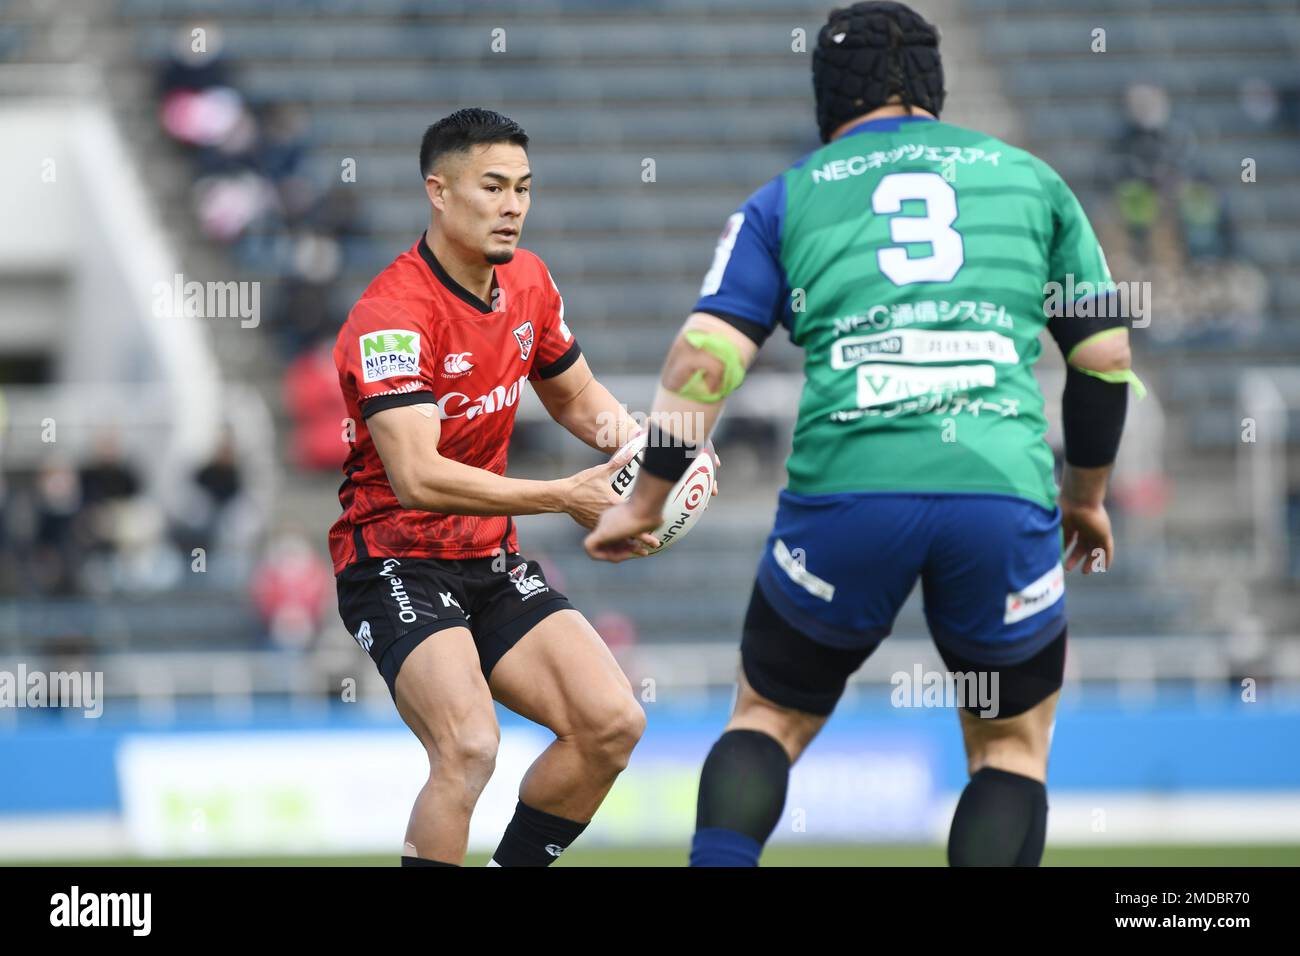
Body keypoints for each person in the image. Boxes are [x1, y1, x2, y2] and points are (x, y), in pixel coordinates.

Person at [585, 1, 1144, 867]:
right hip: (999, 491)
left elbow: (706, 359)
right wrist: (1089, 497)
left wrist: (646, 499)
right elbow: (1105, 357)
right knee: (1009, 752)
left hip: (848, 490)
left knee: (767, 720)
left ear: (828, 93)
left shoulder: (789, 198)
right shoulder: (1034, 182)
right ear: (933, 85)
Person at [330, 108, 664, 867]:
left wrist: (650, 456)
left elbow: (578, 400)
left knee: (611, 723)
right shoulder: (391, 317)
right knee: (470, 747)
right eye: (492, 186)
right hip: (394, 561)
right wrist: (563, 495)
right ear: (438, 192)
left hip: (489, 559)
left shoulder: (531, 283)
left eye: (523, 188)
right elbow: (416, 476)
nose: (512, 205)